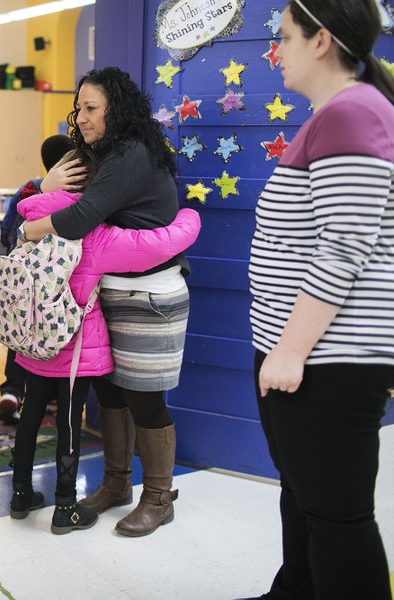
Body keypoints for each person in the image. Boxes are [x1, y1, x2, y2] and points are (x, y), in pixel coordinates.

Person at [244, 1, 394, 598]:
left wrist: (290, 351)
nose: (276, 50)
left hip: (327, 359)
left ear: (321, 40)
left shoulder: (353, 111)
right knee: (301, 497)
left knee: (337, 519)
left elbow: (343, 246)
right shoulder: (333, 113)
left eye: (284, 37)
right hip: (299, 354)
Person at [21, 67, 189, 537]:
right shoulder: (102, 154)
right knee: (112, 393)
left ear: (117, 111)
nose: (82, 117)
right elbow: (58, 202)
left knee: (145, 399)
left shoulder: (131, 154)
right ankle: (117, 484)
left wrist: (28, 229)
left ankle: (159, 498)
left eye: (91, 108)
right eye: (79, 108)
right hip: (113, 288)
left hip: (151, 293)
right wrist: (44, 185)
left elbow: (79, 219)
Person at [0, 133, 75, 424]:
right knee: (53, 334)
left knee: (19, 333)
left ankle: (12, 391)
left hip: (19, 278)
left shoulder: (27, 189)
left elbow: (6, 231)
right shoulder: (73, 197)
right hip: (56, 282)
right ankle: (52, 398)